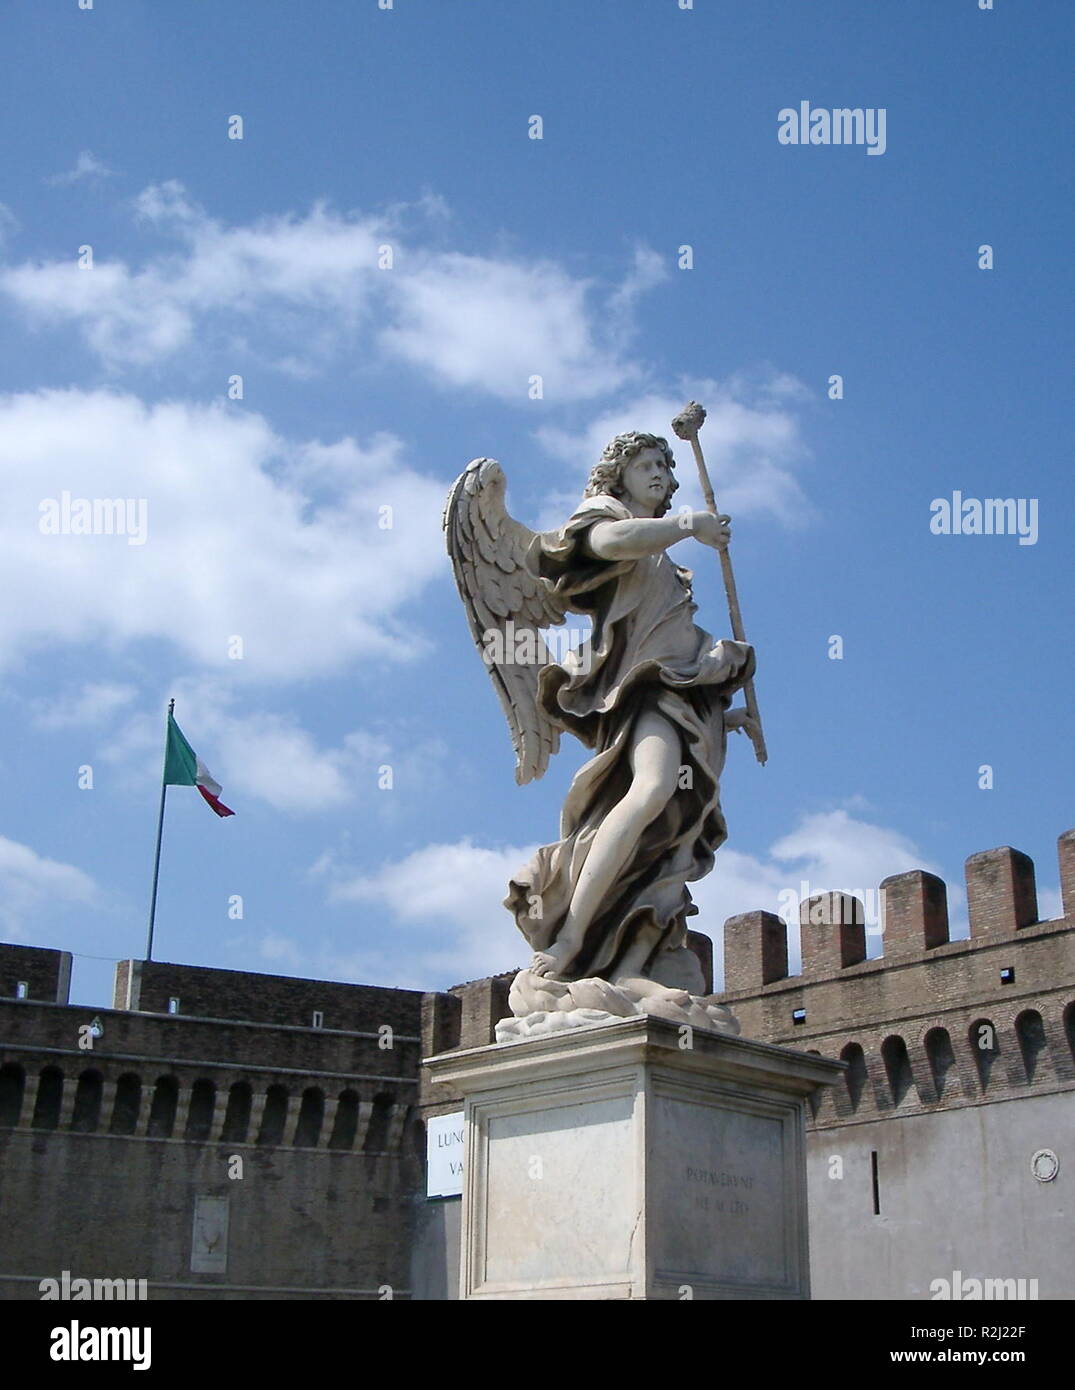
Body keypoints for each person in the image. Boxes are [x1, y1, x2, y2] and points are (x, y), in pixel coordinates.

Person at [505, 430, 756, 988]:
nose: (660, 476)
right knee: (650, 791)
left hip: (681, 698)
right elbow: (610, 543)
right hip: (637, 689)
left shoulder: (664, 561)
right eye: (647, 464)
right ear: (618, 473)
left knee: (673, 836)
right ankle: (572, 933)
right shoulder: (606, 517)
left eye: (666, 469)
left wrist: (723, 708)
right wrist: (689, 525)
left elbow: (677, 637)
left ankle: (630, 961)